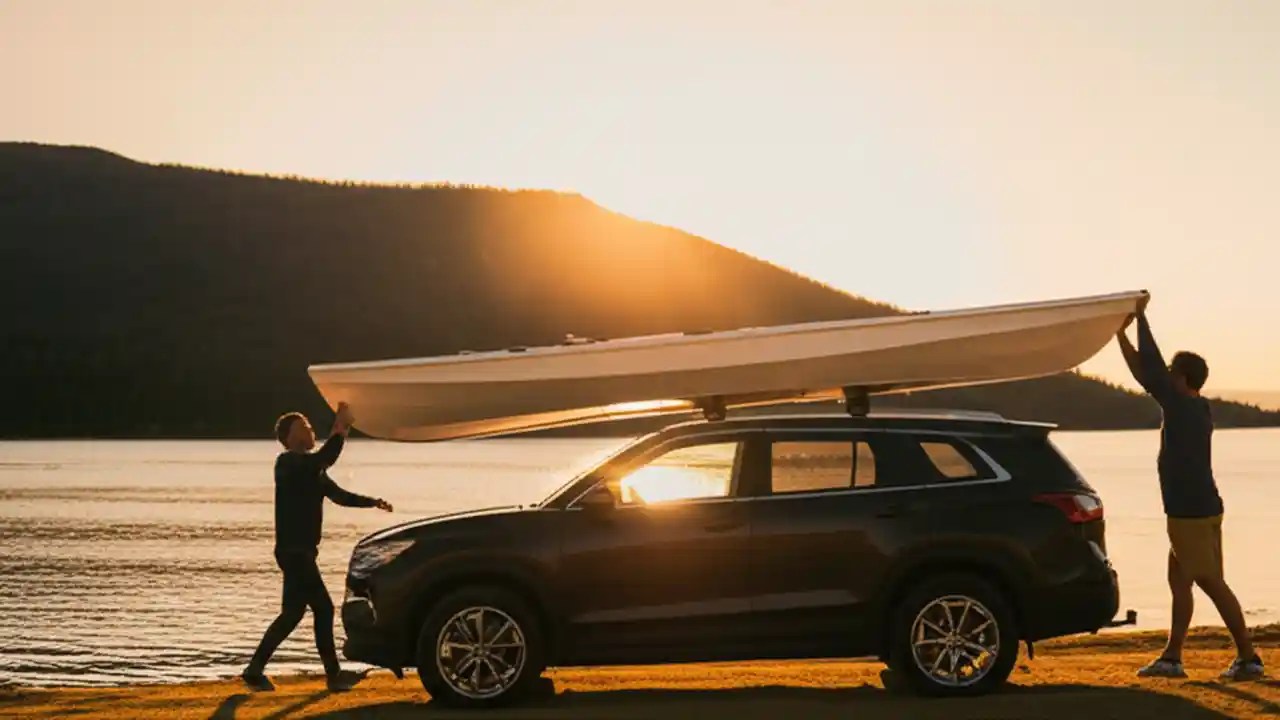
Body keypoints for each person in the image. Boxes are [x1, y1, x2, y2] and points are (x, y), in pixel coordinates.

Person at [1116, 304, 1263, 681]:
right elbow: (1146, 372)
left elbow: (1150, 365)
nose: (1165, 377)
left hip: (1191, 513)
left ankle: (1248, 659)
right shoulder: (1197, 406)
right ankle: (1172, 658)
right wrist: (1119, 333)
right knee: (1180, 581)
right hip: (1201, 508)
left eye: (1170, 375)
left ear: (1181, 379)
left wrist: (1140, 319)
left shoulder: (1180, 406)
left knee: (1211, 582)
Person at [241, 402, 393, 692]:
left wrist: (371, 501)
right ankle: (333, 675)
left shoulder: (312, 469)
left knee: (293, 614)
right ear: (289, 437)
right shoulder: (287, 463)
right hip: (294, 553)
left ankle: (254, 669)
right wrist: (340, 429)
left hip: (301, 553)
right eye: (304, 427)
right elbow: (324, 458)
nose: (310, 430)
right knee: (323, 608)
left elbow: (339, 496)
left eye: (310, 427)